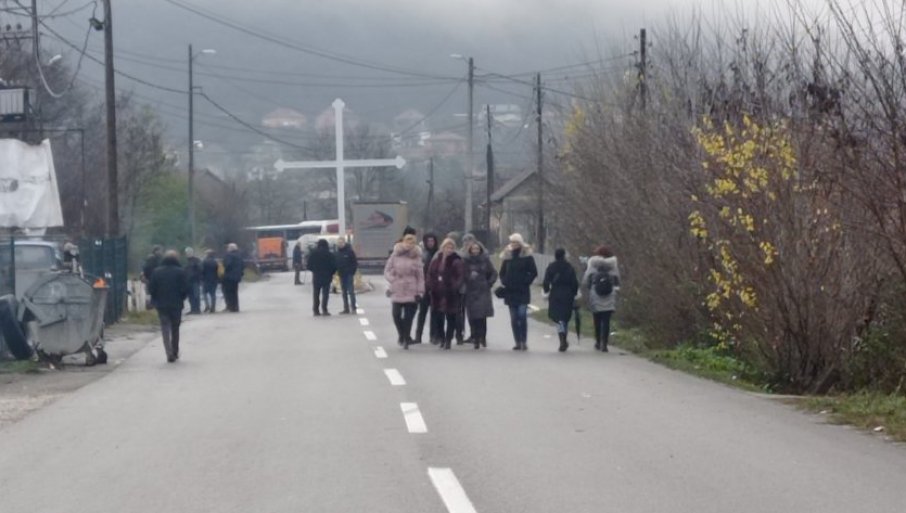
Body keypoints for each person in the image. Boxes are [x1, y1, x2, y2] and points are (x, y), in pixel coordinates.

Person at [384, 234, 425, 348]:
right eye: (407, 241)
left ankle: (406, 338)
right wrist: (393, 279)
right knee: (396, 315)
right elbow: (387, 270)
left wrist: (420, 292)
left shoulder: (416, 256)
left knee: (408, 317)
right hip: (397, 288)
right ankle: (401, 334)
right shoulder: (395, 254)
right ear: (403, 242)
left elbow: (420, 276)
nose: (409, 244)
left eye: (412, 242)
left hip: (412, 289)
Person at [499, 233, 538, 351]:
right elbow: (502, 273)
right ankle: (517, 341)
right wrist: (505, 281)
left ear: (520, 243)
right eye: (512, 242)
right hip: (511, 291)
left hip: (522, 291)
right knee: (514, 318)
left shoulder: (527, 257)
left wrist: (526, 281)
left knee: (522, 315)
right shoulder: (507, 257)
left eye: (515, 242)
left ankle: (524, 341)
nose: (513, 244)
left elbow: (533, 272)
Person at [148, 250, 188, 363]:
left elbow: (151, 289)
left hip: (161, 305)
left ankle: (168, 352)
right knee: (175, 328)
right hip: (176, 304)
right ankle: (175, 351)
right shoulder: (180, 272)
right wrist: (181, 298)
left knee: (165, 328)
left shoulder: (157, 272)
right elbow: (185, 289)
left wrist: (155, 299)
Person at [427, 238, 465, 350]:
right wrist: (430, 285)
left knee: (451, 317)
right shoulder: (436, 260)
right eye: (447, 247)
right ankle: (441, 338)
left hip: (451, 293)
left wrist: (455, 287)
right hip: (437, 292)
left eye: (451, 247)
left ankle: (448, 339)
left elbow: (461, 276)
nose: (449, 249)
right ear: (442, 248)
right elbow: (430, 273)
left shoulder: (456, 260)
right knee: (438, 317)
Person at [582, 246, 621, 352]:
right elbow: (617, 280)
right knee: (606, 320)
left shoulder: (592, 264)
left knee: (597, 319)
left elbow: (586, 279)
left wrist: (590, 288)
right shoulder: (613, 265)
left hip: (595, 294)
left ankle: (598, 342)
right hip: (609, 294)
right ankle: (605, 344)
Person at [463, 240, 498, 350]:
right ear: (470, 250)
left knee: (482, 317)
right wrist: (468, 277)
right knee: (473, 316)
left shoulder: (485, 260)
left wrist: (489, 283)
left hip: (483, 290)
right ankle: (475, 338)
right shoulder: (466, 261)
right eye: (473, 249)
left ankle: (482, 337)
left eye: (477, 249)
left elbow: (493, 273)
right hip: (471, 291)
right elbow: (462, 273)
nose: (475, 251)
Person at [543, 248, 580, 352]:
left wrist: (546, 291)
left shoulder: (551, 267)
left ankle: (562, 339)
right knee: (565, 318)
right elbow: (574, 282)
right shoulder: (569, 267)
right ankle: (564, 338)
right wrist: (574, 293)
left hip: (555, 294)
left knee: (558, 318)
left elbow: (546, 281)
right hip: (567, 294)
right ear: (564, 255)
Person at [415, 233, 439, 344]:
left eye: (432, 241)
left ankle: (434, 335)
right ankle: (418, 336)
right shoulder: (421, 255)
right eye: (428, 241)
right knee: (422, 312)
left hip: (436, 287)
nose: (430, 243)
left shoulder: (438, 254)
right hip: (424, 287)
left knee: (435, 312)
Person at [308, 239, 337, 316]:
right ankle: (324, 309)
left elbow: (309, 266)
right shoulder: (330, 254)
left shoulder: (313, 254)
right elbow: (334, 266)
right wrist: (331, 273)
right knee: (325, 294)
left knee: (316, 294)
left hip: (316, 277)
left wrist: (314, 270)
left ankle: (315, 310)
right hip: (327, 277)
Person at [334, 236, 358, 314]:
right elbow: (336, 263)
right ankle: (346, 308)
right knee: (343, 292)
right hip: (341, 274)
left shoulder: (350, 252)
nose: (340, 244)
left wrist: (352, 272)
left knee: (351, 291)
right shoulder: (337, 253)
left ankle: (353, 308)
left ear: (344, 243)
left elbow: (354, 263)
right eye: (338, 243)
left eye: (341, 243)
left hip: (349, 274)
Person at [222, 243, 244, 313]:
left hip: (229, 276)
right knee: (235, 292)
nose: (227, 249)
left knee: (229, 292)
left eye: (228, 248)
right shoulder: (239, 255)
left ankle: (231, 307)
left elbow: (227, 265)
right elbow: (243, 265)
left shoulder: (229, 255)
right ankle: (236, 307)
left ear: (230, 248)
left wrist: (224, 263)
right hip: (237, 277)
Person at [141, 245, 163, 309]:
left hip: (153, 278)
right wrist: (150, 277)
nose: (161, 252)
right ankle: (151, 305)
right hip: (152, 279)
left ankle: (152, 305)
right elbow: (148, 269)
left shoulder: (156, 259)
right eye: (160, 251)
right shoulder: (152, 259)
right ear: (156, 251)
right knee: (152, 293)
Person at [184, 247, 202, 315]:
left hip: (195, 281)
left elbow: (200, 269)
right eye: (186, 253)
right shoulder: (187, 261)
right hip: (188, 281)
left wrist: (195, 276)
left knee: (196, 295)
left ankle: (197, 309)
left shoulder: (196, 260)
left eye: (188, 253)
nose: (187, 254)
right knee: (190, 296)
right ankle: (193, 309)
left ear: (192, 253)